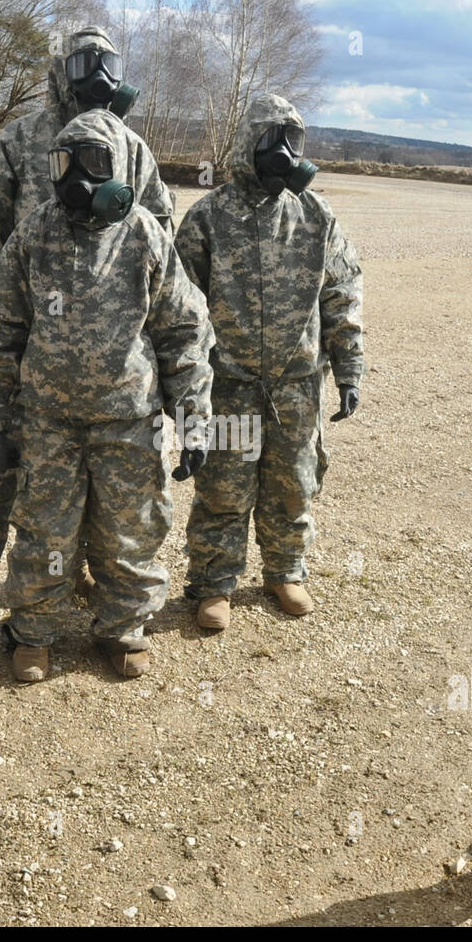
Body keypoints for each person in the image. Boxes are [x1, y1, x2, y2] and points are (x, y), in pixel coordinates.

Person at [0, 109, 213, 682]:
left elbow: (183, 331)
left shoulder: (146, 235)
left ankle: (123, 628)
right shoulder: (34, 232)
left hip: (127, 419)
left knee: (130, 527)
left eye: (93, 162)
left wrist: (194, 420)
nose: (76, 177)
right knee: (44, 528)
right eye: (64, 162)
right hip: (48, 421)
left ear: (120, 168)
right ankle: (33, 631)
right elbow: (1, 330)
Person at [0, 26, 174, 628]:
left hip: (103, 347)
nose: (97, 72)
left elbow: (158, 241)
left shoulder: (132, 146)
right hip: (26, 330)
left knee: (90, 480)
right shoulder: (20, 139)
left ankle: (67, 573)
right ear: (60, 70)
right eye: (83, 60)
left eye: (108, 61)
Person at [173, 93, 364, 630]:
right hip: (231, 384)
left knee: (292, 485)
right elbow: (180, 309)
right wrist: (184, 393)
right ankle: (213, 583)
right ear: (246, 144)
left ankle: (285, 572)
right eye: (271, 139)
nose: (283, 151)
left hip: (297, 386)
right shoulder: (209, 216)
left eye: (293, 140)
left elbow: (342, 293)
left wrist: (349, 368)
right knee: (225, 490)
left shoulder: (315, 214)